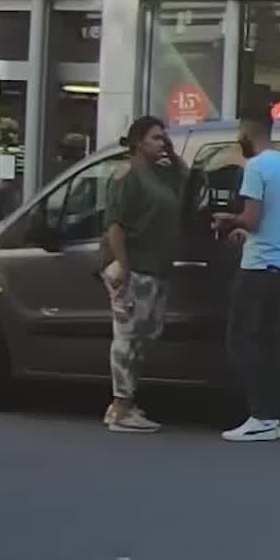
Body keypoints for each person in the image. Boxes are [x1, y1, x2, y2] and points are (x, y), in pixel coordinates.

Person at [222, 95, 280, 443]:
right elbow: (272, 218)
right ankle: (271, 414)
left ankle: (261, 415)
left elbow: (252, 219)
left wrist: (229, 219)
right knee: (271, 345)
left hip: (257, 267)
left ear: (248, 130)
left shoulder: (255, 168)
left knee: (242, 341)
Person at [97, 114, 182, 434]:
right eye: (156, 138)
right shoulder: (127, 175)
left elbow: (185, 177)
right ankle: (121, 407)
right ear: (137, 142)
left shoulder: (159, 174)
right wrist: (124, 267)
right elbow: (115, 225)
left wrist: (171, 152)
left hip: (156, 268)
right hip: (134, 267)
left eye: (164, 137)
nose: (162, 142)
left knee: (144, 337)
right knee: (127, 336)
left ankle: (127, 401)